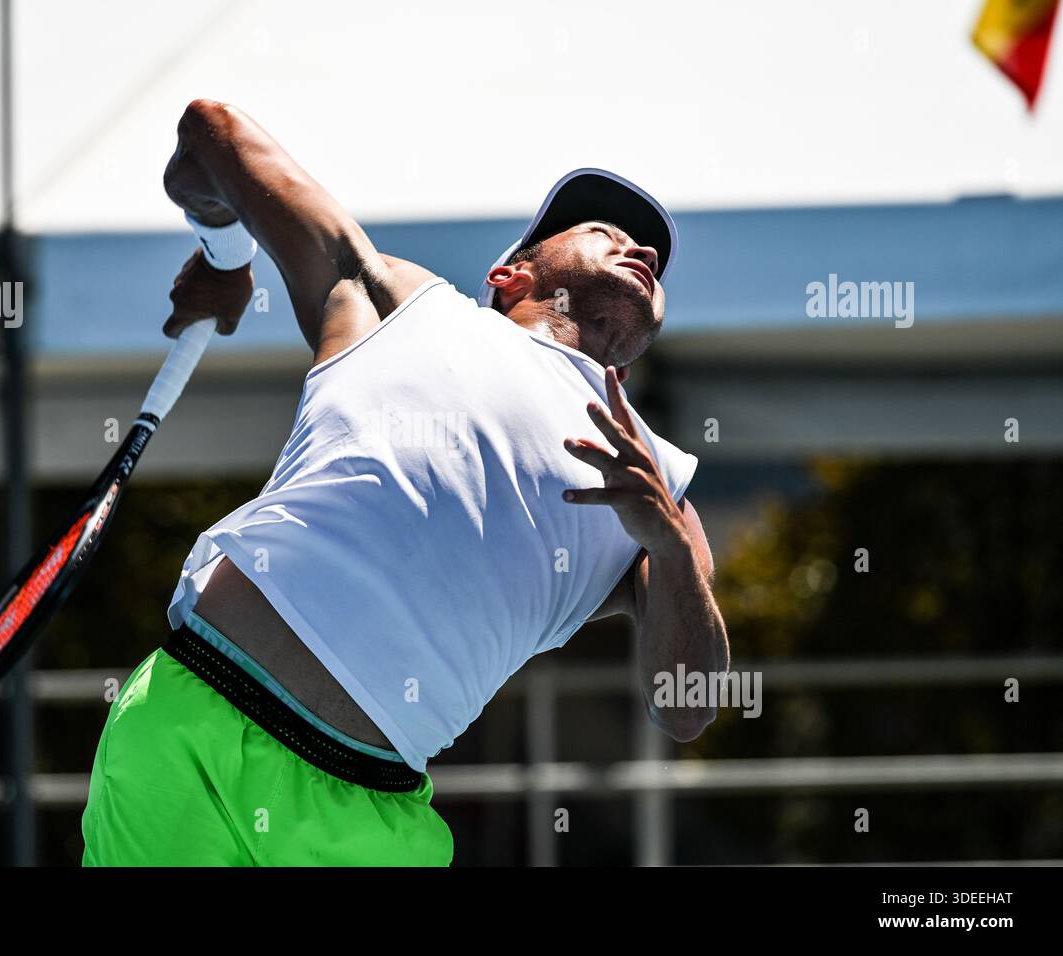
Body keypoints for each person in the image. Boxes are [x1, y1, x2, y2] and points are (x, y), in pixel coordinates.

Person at [80, 99, 730, 866]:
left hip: (366, 822)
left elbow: (688, 706)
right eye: (607, 231)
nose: (640, 250)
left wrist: (667, 542)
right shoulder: (397, 300)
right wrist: (226, 258)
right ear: (510, 273)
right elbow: (207, 133)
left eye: (651, 255)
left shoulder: (660, 486)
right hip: (187, 726)